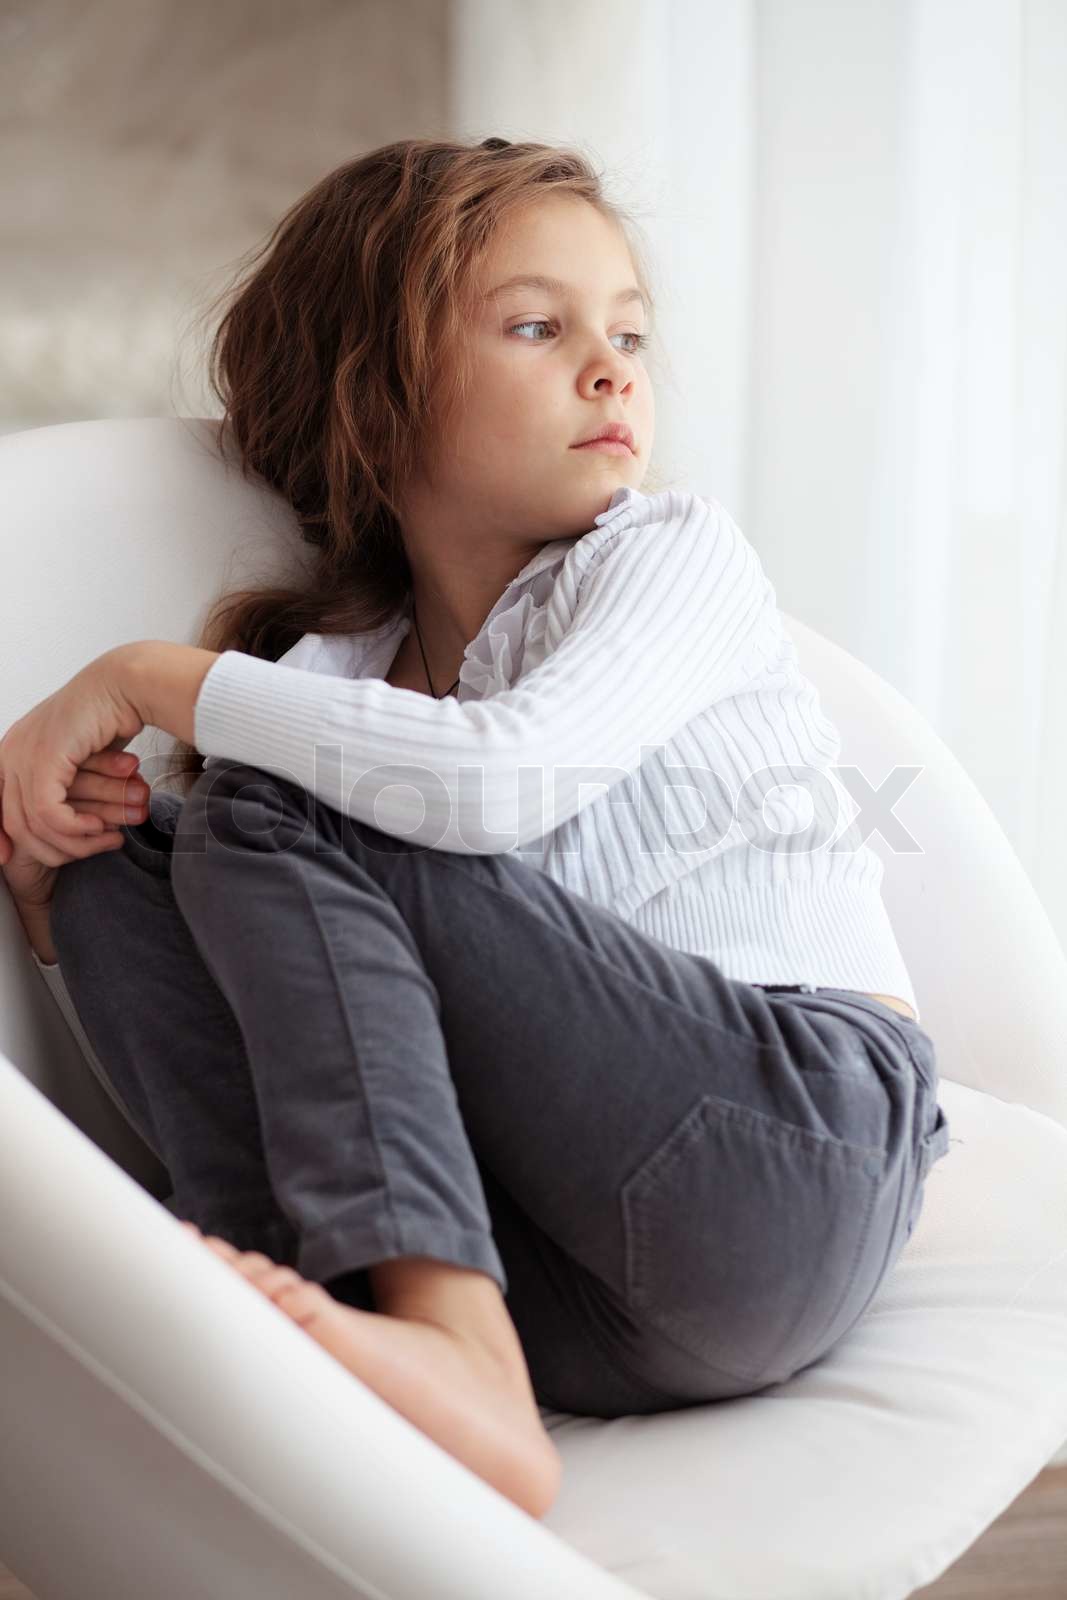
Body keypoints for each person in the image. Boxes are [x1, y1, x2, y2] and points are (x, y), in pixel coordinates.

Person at [0, 136, 949, 1522]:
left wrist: (149, 678)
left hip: (788, 1149)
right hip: (565, 1262)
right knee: (146, 868)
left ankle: (450, 1346)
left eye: (627, 329)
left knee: (267, 809)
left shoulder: (666, 559)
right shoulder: (329, 683)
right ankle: (322, 1319)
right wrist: (50, 893)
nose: (615, 366)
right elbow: (275, 1055)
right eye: (538, 326)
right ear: (374, 404)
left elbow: (499, 779)